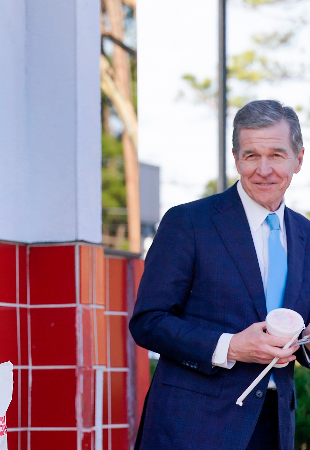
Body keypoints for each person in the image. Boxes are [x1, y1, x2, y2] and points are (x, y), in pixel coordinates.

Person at [129, 100, 310, 450]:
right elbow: (148, 321)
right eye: (251, 155)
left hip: (275, 428)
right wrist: (231, 347)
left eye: (276, 154)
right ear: (236, 158)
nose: (263, 169)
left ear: (299, 158)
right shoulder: (189, 223)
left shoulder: (307, 235)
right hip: (192, 428)